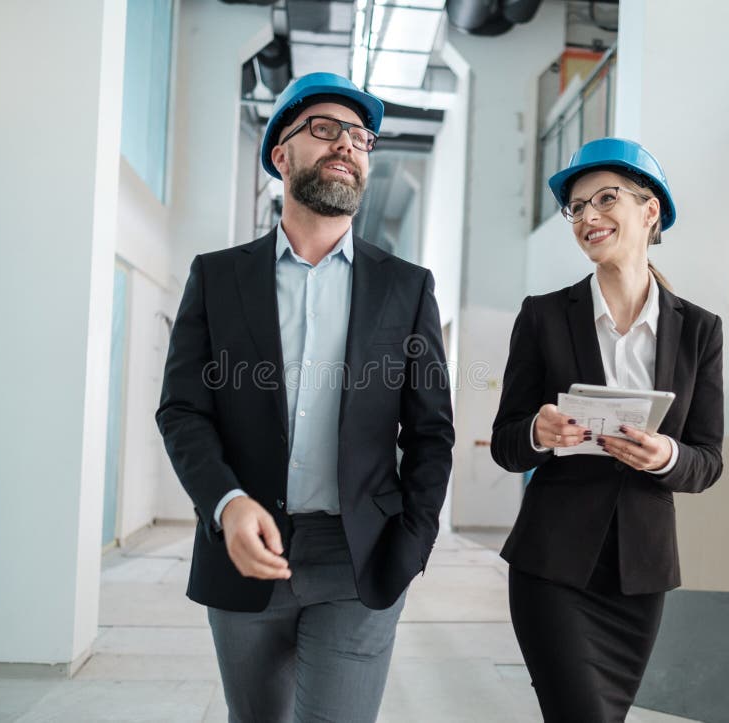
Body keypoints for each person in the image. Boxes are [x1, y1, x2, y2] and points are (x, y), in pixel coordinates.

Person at [156, 72, 454, 723]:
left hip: (361, 555)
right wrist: (226, 505)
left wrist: (412, 544)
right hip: (245, 549)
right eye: (325, 129)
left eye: (360, 136)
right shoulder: (218, 277)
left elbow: (431, 432)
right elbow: (183, 409)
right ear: (281, 154)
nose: (347, 144)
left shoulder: (407, 289)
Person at [491, 137, 724, 722]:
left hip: (639, 575)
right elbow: (506, 443)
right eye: (576, 207)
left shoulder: (698, 331)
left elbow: (708, 461)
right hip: (551, 567)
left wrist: (665, 455)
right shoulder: (543, 316)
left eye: (605, 199)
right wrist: (539, 433)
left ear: (651, 211)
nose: (588, 216)